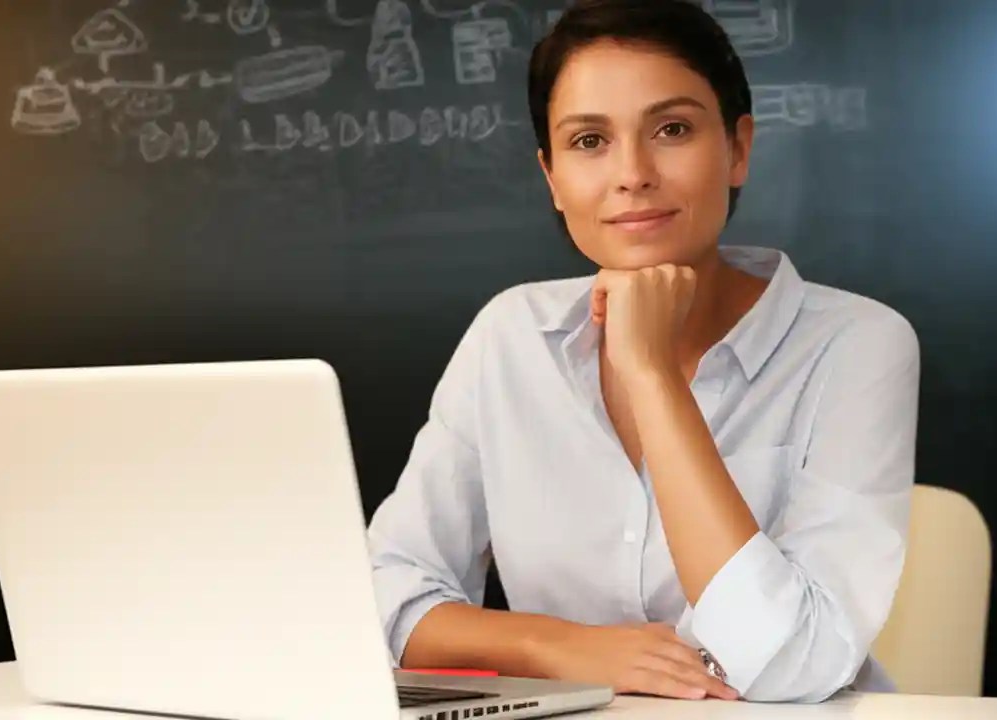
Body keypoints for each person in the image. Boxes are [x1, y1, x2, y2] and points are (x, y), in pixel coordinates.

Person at [366, 0, 920, 704]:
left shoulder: (856, 344)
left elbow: (791, 667)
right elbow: (383, 596)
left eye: (672, 129)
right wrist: (563, 647)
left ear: (738, 148)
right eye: (589, 142)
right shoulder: (510, 336)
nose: (632, 172)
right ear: (552, 177)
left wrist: (652, 374)